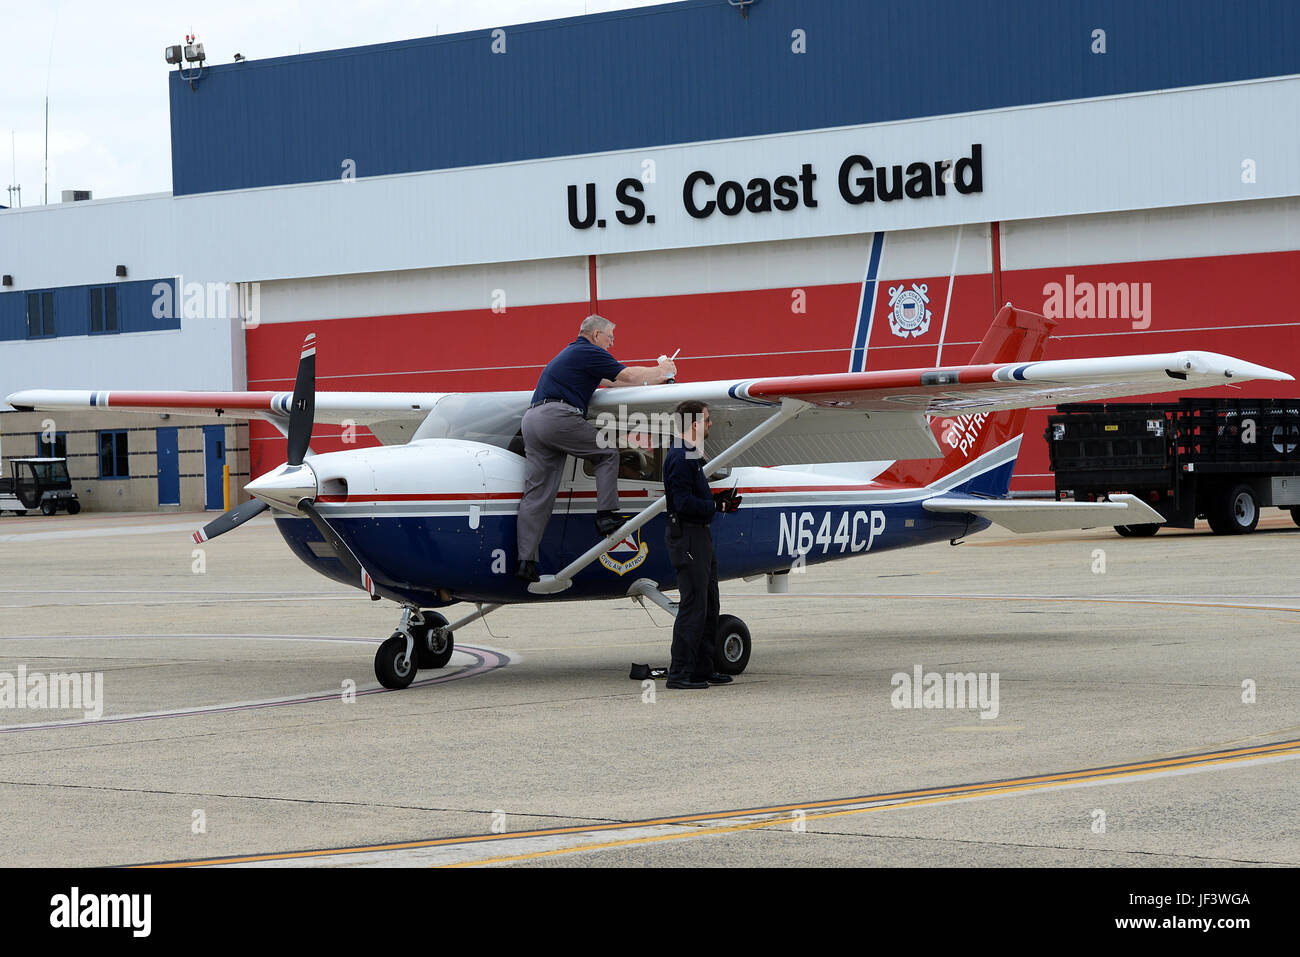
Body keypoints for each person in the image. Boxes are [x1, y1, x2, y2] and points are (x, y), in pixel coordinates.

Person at [515, 315, 676, 583]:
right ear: (596, 334)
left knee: (537, 495)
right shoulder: (588, 351)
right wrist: (662, 369)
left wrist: (657, 380)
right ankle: (606, 516)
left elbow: (617, 382)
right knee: (607, 453)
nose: (612, 343)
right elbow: (629, 374)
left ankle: (526, 562)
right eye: (611, 337)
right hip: (558, 417)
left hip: (533, 420)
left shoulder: (572, 355)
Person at [662, 400, 742, 689]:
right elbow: (682, 503)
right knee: (694, 604)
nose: (710, 425)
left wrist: (717, 503)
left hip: (698, 535)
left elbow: (691, 499)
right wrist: (713, 505)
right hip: (688, 537)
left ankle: (702, 669)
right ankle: (680, 673)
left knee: (709, 602)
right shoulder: (682, 457)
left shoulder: (690, 456)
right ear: (694, 424)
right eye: (707, 420)